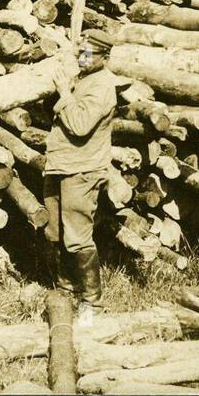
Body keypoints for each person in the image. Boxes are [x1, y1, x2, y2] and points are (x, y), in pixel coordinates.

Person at [43, 46, 123, 320]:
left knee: (77, 237)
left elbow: (79, 125)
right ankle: (66, 290)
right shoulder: (82, 78)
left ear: (105, 59)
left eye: (90, 54)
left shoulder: (102, 86)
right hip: (61, 165)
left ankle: (92, 304)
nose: (83, 58)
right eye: (82, 52)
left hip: (83, 169)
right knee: (57, 232)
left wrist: (64, 92)